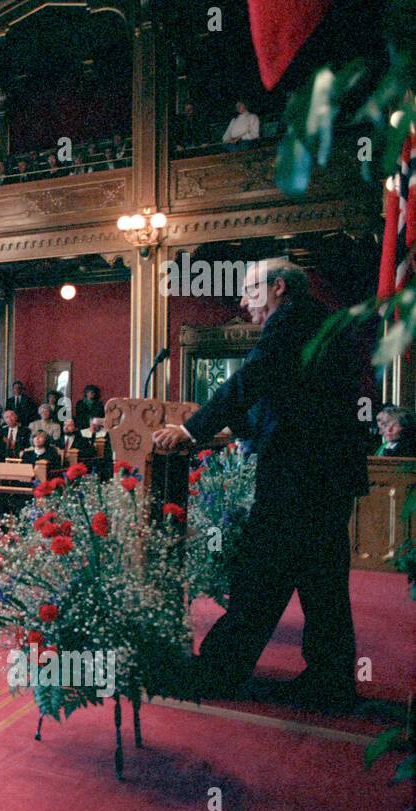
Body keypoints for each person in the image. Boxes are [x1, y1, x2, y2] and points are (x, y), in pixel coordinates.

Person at [152, 258, 370, 710]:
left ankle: (215, 674)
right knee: (322, 581)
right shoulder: (320, 321)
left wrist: (192, 430)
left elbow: (251, 381)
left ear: (280, 288)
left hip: (298, 477)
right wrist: (238, 428)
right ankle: (330, 681)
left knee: (260, 577)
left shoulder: (291, 322)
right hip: (326, 475)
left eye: (251, 291)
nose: (243, 301)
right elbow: (288, 398)